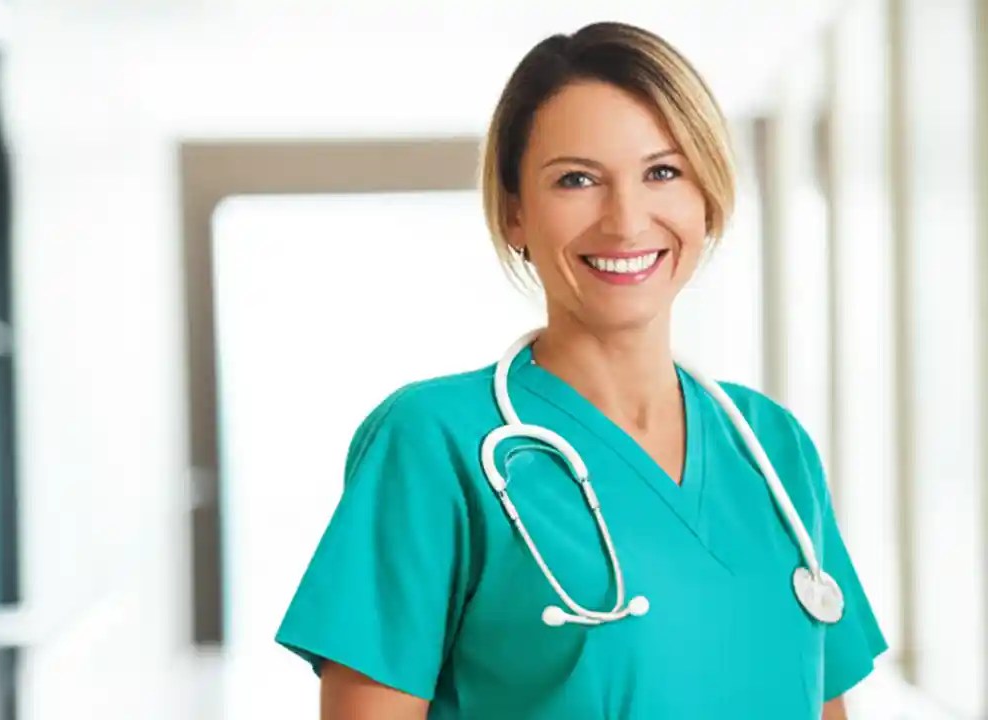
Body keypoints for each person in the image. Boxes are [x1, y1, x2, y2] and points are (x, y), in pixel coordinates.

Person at [275, 21, 886, 720]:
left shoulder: (773, 448)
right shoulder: (434, 444)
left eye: (663, 172)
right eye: (577, 179)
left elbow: (825, 703)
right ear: (514, 214)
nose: (626, 222)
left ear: (707, 196)